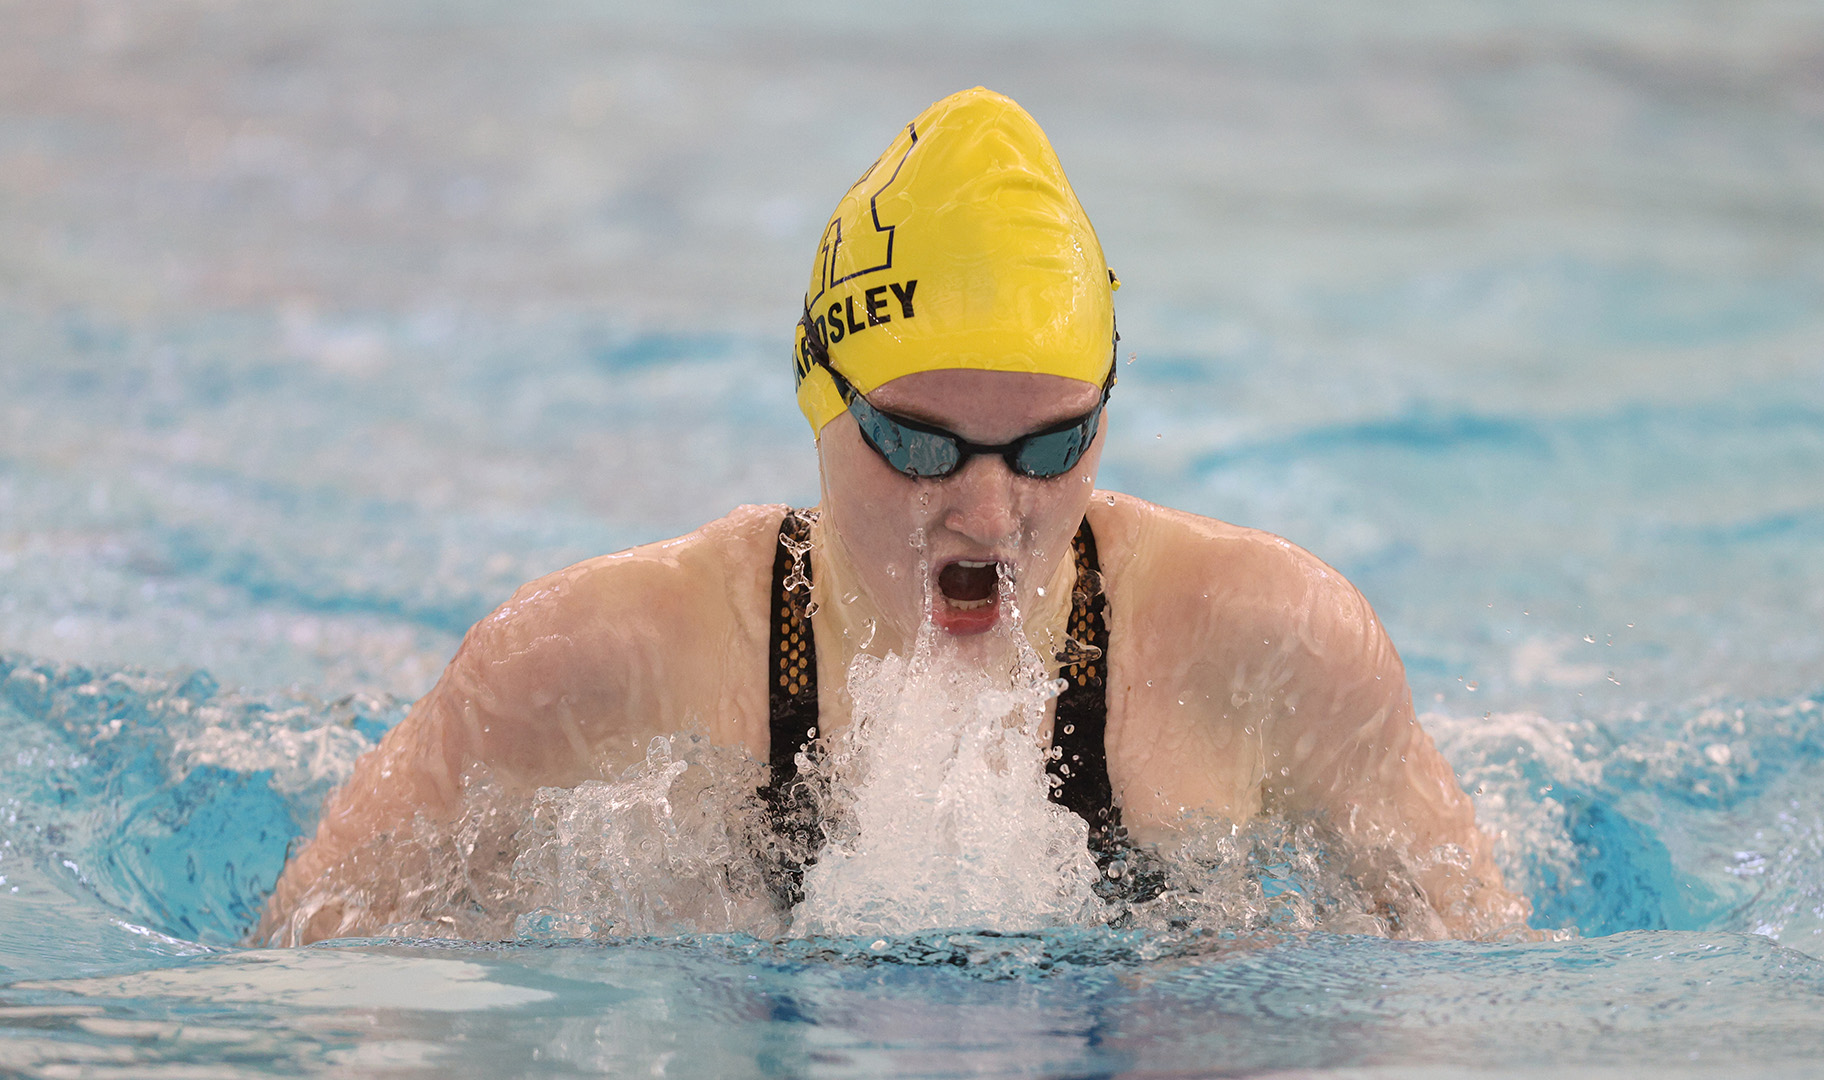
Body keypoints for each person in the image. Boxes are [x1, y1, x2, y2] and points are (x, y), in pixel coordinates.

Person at [258, 87, 1529, 945]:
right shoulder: (588, 664)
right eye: (918, 443)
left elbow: (1480, 1001)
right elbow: (304, 980)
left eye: (1052, 446)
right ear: (821, 393)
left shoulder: (1275, 646)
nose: (987, 509)